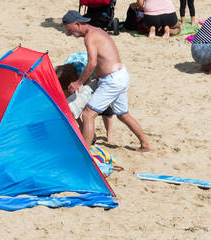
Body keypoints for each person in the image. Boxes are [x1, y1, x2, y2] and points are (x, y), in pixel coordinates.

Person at [62, 19, 152, 151]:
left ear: (77, 24)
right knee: (123, 115)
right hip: (118, 75)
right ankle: (145, 144)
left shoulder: (90, 37)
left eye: (69, 29)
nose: (68, 33)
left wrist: (79, 82)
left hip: (112, 80)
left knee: (88, 114)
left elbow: (92, 63)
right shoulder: (97, 31)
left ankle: (85, 154)